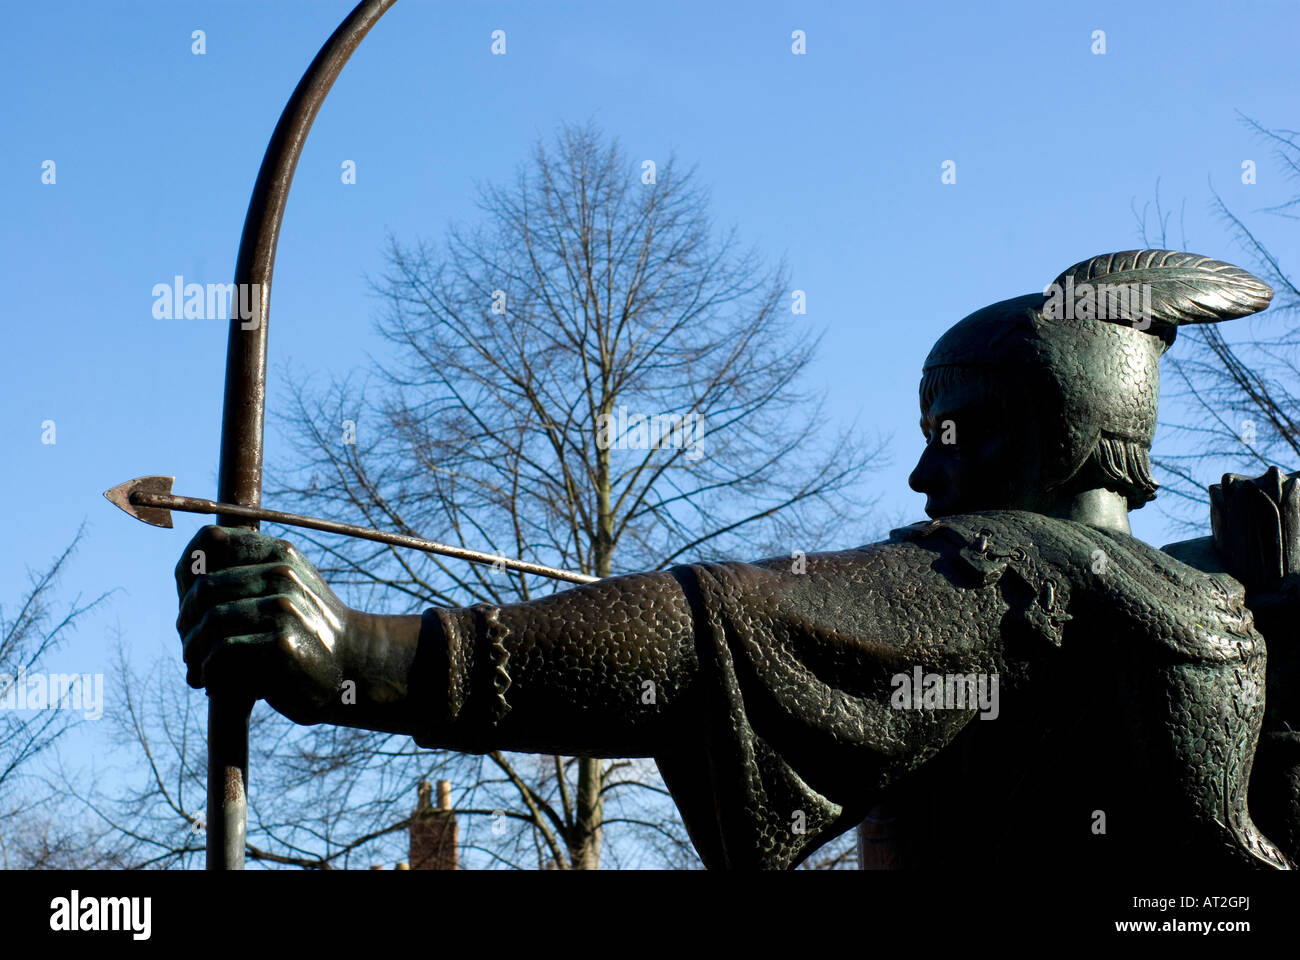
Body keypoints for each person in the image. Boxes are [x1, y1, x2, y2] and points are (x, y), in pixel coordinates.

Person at [175, 249, 1295, 870]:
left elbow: (724, 630)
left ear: (1046, 433)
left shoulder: (1013, 575)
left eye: (949, 433)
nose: (922, 478)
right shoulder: (1207, 614)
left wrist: (374, 654)